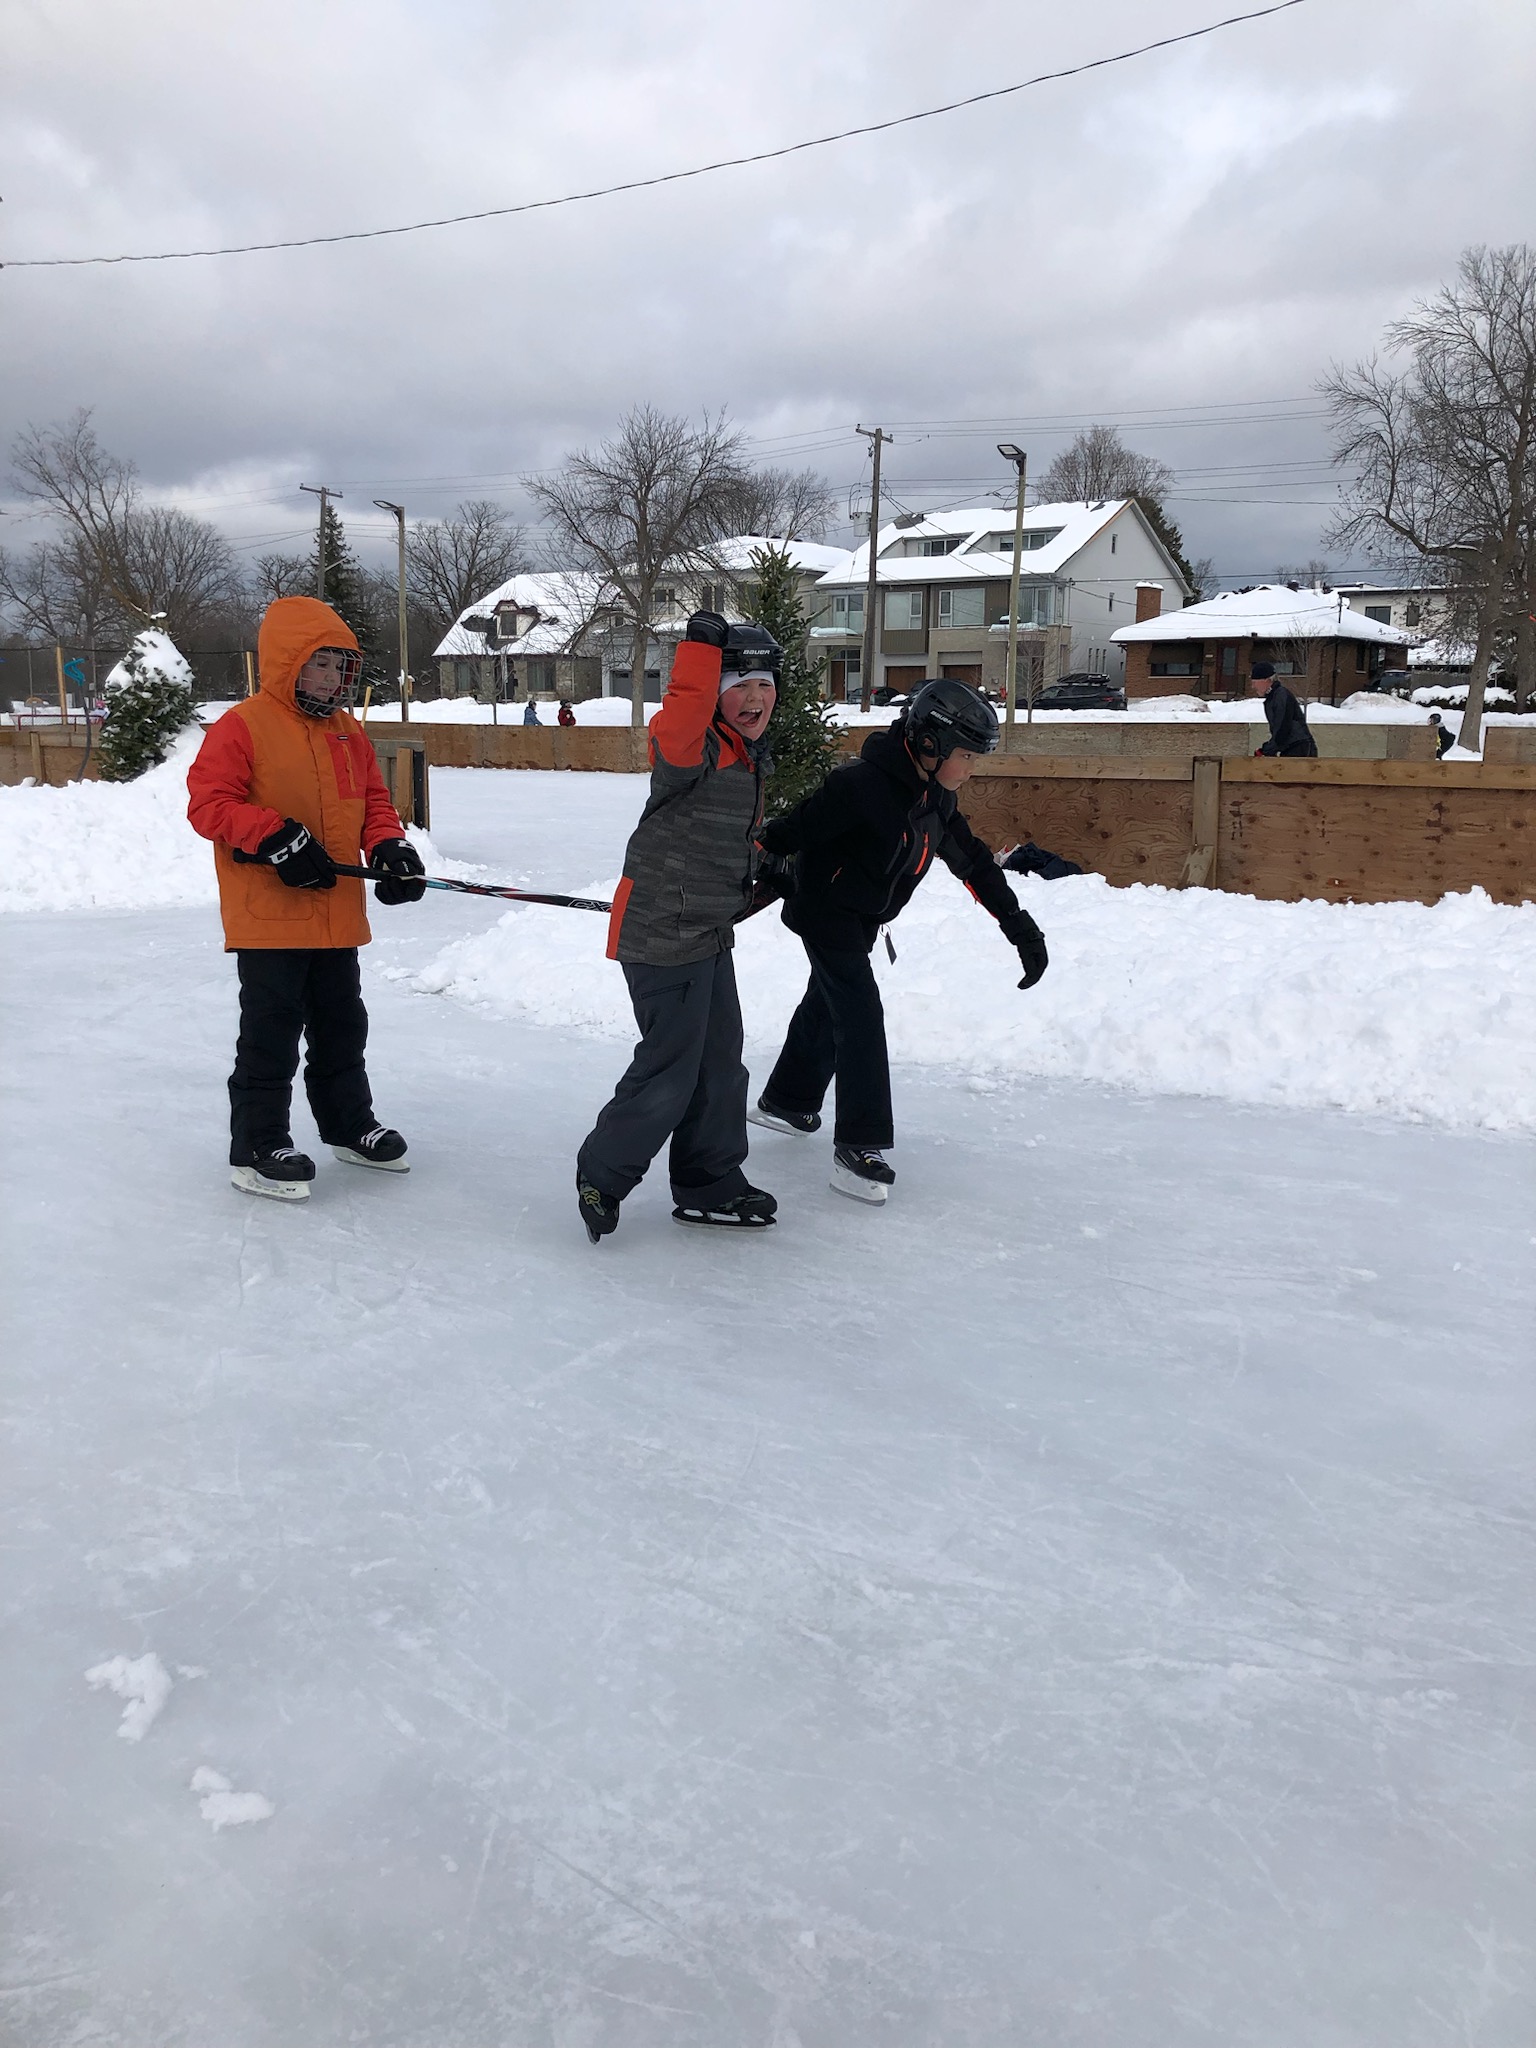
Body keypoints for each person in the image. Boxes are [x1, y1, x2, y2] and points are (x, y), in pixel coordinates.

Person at [752, 677, 1048, 1205]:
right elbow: (789, 831)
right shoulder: (859, 787)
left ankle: (787, 1101)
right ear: (929, 745)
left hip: (863, 918)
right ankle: (858, 1146)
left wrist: (1019, 928)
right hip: (825, 913)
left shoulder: (937, 799)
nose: (972, 769)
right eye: (967, 756)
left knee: (828, 1005)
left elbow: (974, 864)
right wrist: (767, 867)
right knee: (860, 1014)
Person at [186, 596, 427, 1202]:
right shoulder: (242, 726)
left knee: (343, 1027)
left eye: (340, 665)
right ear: (287, 663)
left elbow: (372, 802)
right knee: (270, 1034)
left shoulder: (348, 731)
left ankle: (349, 1128)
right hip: (270, 919)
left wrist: (391, 846)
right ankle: (259, 1146)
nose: (330, 677)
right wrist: (273, 834)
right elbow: (209, 804)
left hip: (337, 915)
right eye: (318, 663)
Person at [575, 611, 784, 1241]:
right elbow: (678, 721)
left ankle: (709, 1181)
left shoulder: (745, 758)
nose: (755, 698)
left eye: (766, 684)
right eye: (739, 683)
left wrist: (770, 872)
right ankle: (602, 1174)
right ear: (714, 692)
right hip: (663, 932)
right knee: (671, 1066)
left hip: (707, 930)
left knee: (722, 1064)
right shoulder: (693, 750)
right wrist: (698, 654)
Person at [1251, 660, 1318, 757]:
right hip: (1291, 747)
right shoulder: (1273, 697)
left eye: (1254, 682)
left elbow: (1282, 728)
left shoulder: (1280, 696)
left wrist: (1267, 750)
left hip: (1299, 748)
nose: (1253, 686)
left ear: (1267, 680)